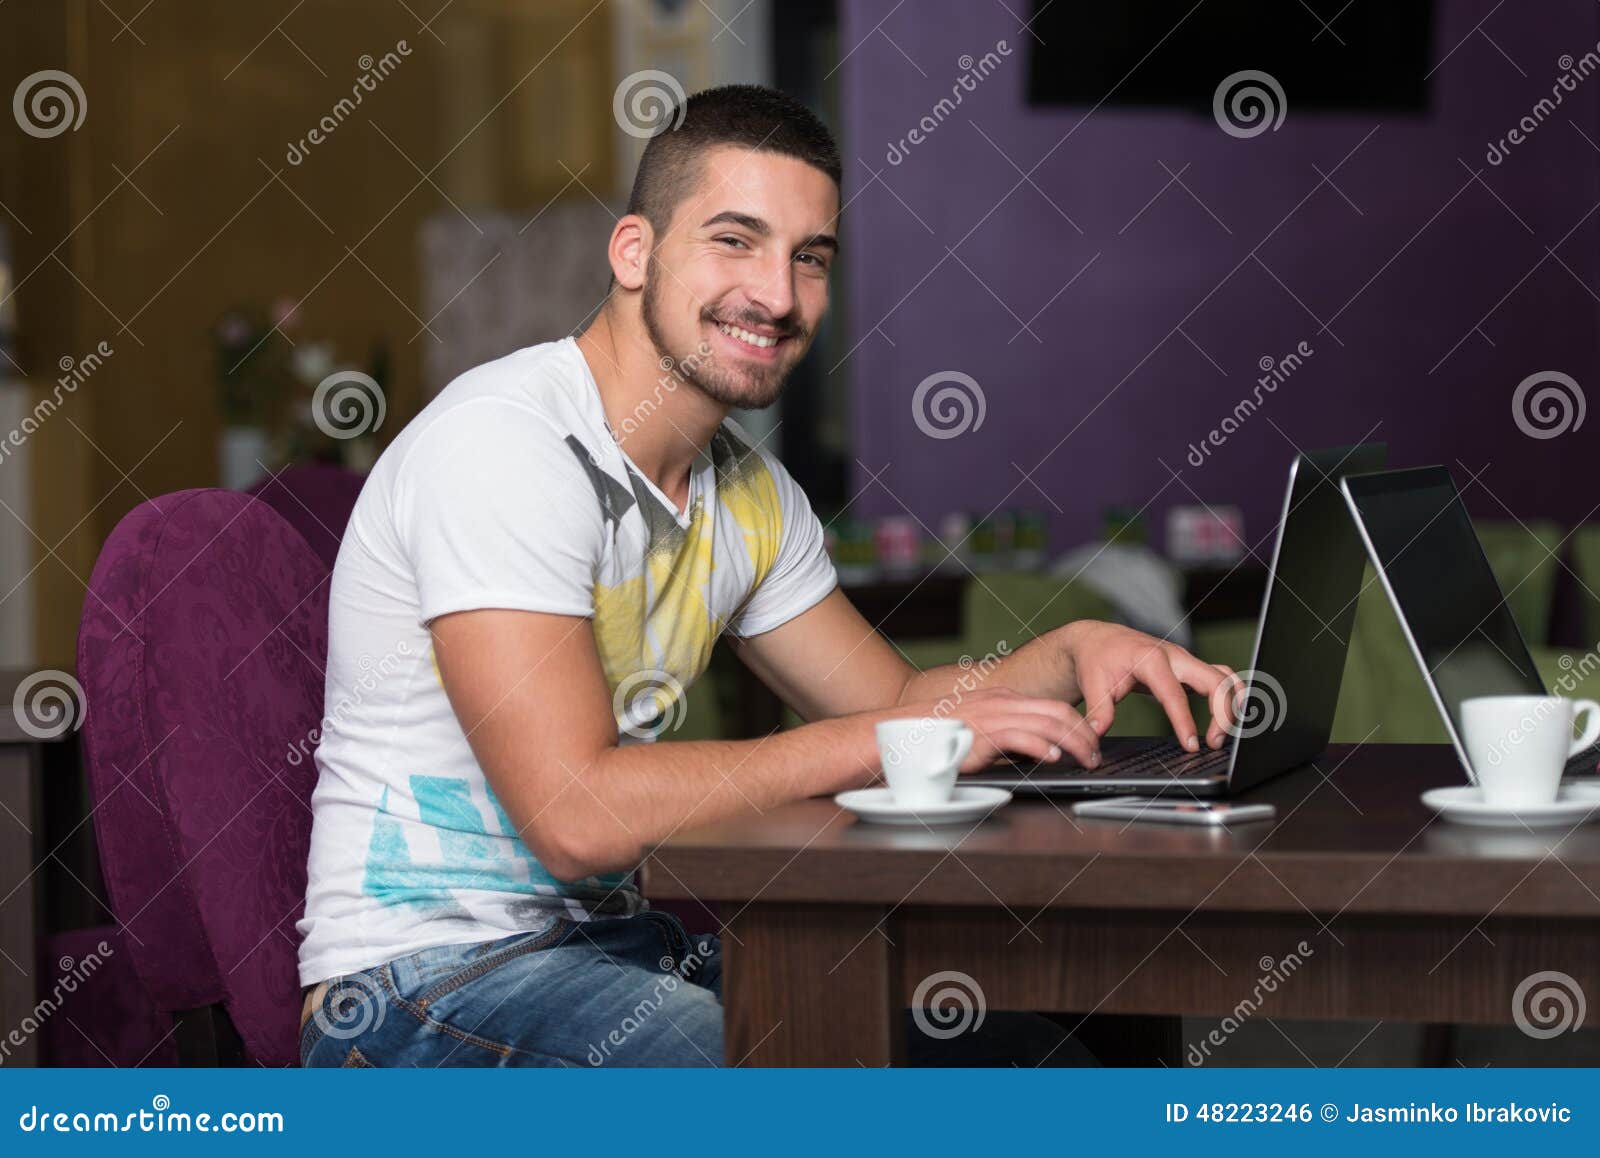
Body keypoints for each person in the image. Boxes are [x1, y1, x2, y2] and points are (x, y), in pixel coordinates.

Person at [296, 84, 1237, 1067]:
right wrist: (880, 738)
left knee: (1041, 1063)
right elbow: (578, 817)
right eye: (733, 241)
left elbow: (902, 703)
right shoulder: (504, 446)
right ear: (634, 253)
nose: (778, 296)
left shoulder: (748, 495)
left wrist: (1074, 649)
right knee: (748, 1077)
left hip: (622, 955)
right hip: (420, 982)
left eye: (809, 258)